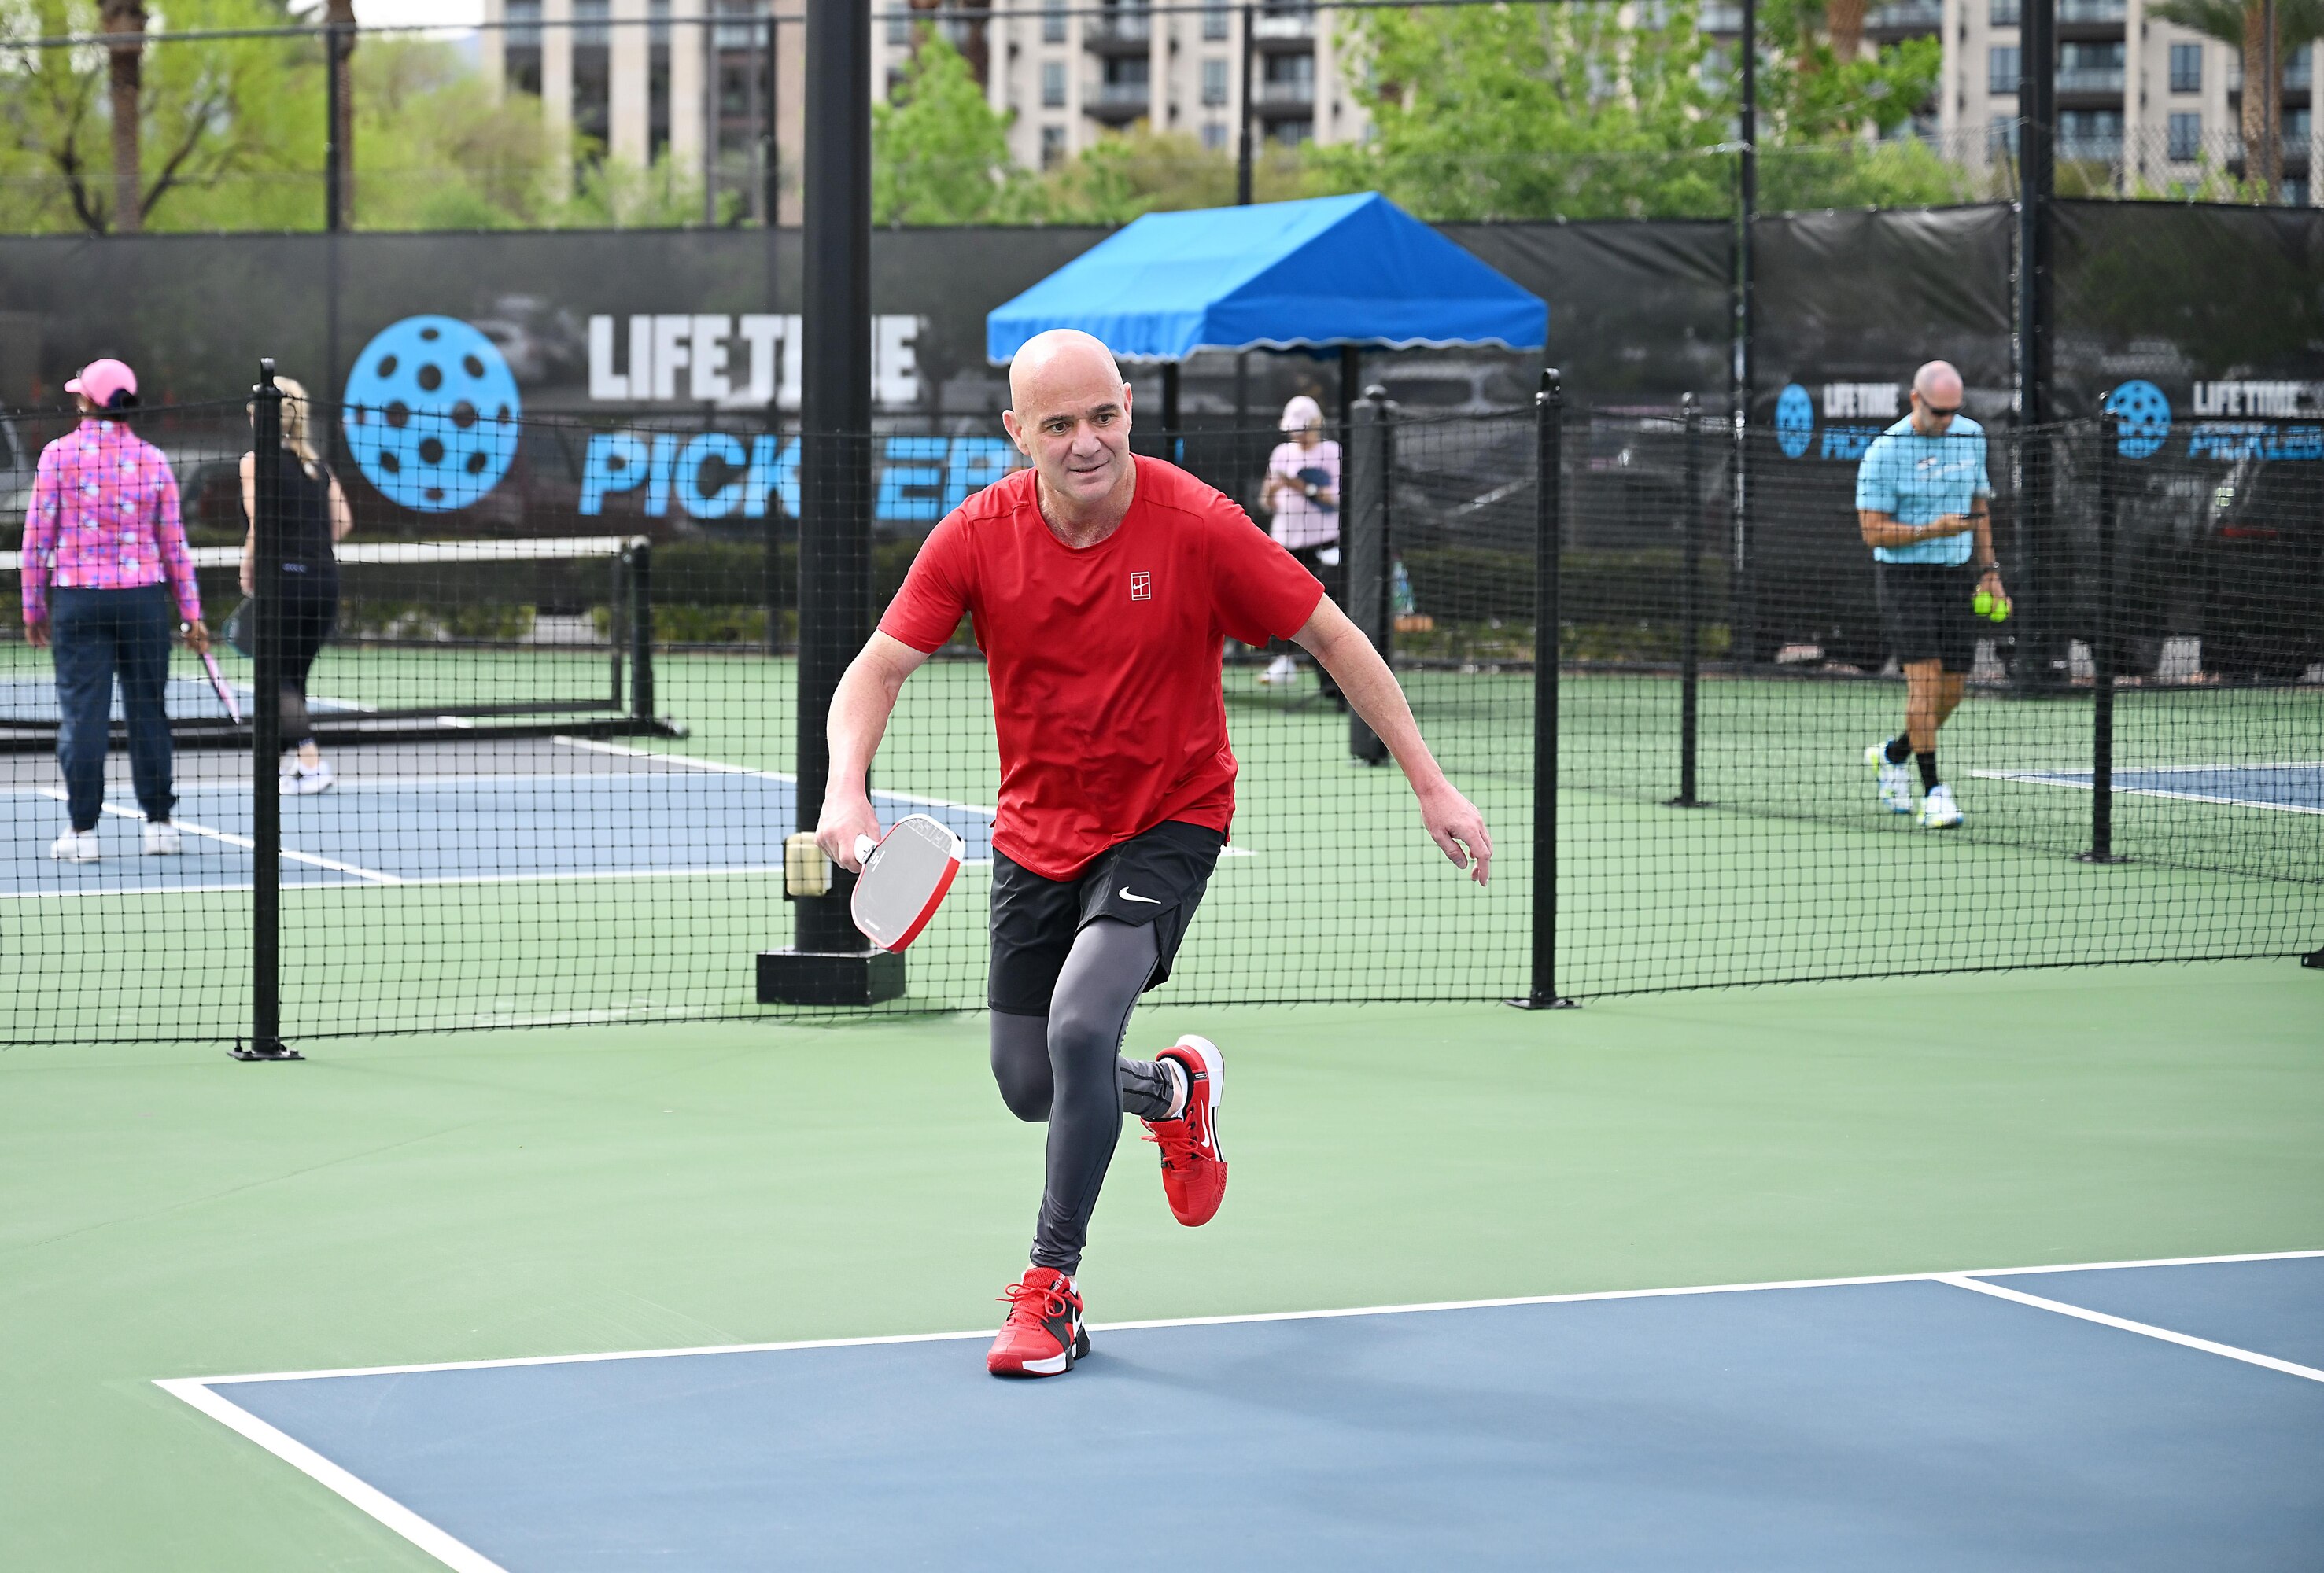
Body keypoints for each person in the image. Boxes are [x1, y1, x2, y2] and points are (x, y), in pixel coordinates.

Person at [816, 330, 1492, 1379]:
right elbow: (877, 670)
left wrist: (1428, 780)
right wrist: (842, 789)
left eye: (1103, 417)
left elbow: (1334, 638)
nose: (1086, 443)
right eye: (1058, 426)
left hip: (1168, 816)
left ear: (1127, 408)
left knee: (1082, 1024)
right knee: (1028, 1080)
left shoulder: (1198, 525)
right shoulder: (974, 537)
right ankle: (1174, 1097)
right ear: (1016, 435)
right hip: (1038, 829)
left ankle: (1050, 1293)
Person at [23, 359, 206, 863]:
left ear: (88, 400)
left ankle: (82, 832)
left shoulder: (58, 455)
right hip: (144, 602)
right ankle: (160, 825)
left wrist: (32, 605)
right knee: (148, 712)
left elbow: (38, 538)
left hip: (79, 601)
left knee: (84, 717)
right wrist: (192, 613)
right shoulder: (153, 460)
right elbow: (175, 547)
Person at [1854, 359, 2009, 830]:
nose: (1946, 421)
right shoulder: (1884, 452)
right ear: (1916, 401)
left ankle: (1892, 755)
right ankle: (1935, 793)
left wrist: (1990, 571)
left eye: (1952, 411)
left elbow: (1978, 507)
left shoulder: (1971, 436)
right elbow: (1872, 532)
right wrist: (1929, 530)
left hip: (1955, 575)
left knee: (1953, 690)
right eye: (1938, 412)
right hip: (1904, 579)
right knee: (1923, 681)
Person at [239, 376, 353, 794]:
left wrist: (247, 567)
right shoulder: (316, 467)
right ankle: (285, 765)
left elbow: (260, 522)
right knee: (294, 677)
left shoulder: (256, 461)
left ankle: (311, 760)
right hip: (323, 583)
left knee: (275, 676)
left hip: (284, 583)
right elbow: (342, 523)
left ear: (263, 416)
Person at [1256, 394, 1341, 692]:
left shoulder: (1332, 452)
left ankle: (1331, 685)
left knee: (1326, 612)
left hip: (1323, 544)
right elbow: (1267, 503)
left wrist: (1300, 486)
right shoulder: (1281, 453)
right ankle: (1284, 659)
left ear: (1317, 425)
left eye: (1303, 428)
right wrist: (1272, 488)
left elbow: (1334, 500)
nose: (1298, 434)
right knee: (1276, 603)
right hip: (1285, 544)